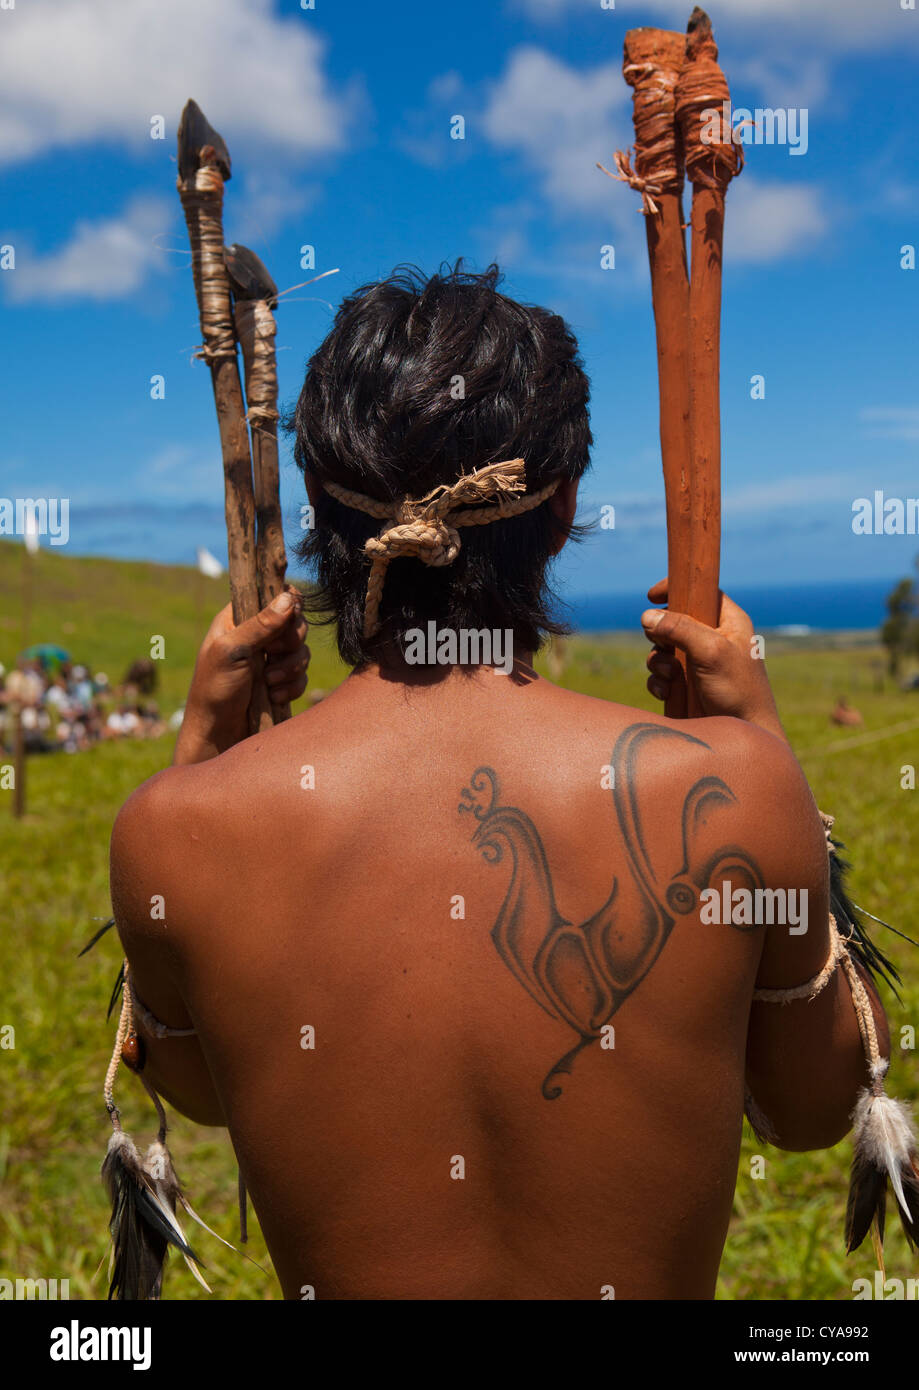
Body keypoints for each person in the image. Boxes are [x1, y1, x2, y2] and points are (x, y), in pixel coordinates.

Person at [109, 264, 888, 1301]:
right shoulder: (738, 785)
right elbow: (814, 1109)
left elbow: (202, 1091)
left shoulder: (178, 825)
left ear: (315, 513)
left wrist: (205, 745)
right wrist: (754, 731)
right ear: (561, 508)